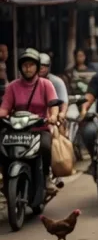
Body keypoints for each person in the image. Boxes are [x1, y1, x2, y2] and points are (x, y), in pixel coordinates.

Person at [0, 48, 59, 191]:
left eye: (31, 65)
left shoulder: (46, 84)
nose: (28, 68)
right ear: (20, 67)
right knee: (2, 148)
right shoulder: (12, 86)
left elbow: (53, 105)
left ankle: (47, 177)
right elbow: (4, 108)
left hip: (39, 129)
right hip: (16, 132)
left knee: (45, 146)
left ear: (37, 67)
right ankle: (5, 179)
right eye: (25, 65)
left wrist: (53, 116)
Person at [39, 53, 68, 123]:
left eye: (44, 65)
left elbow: (62, 102)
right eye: (39, 65)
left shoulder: (56, 82)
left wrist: (62, 113)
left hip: (51, 117)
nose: (41, 68)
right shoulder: (27, 83)